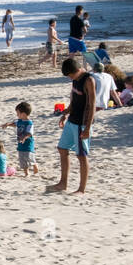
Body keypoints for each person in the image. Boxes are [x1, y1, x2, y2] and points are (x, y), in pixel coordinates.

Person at [49, 57, 95, 194]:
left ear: (76, 70)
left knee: (82, 155)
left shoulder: (88, 80)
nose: (70, 78)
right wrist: (65, 113)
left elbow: (92, 105)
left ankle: (81, 189)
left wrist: (87, 128)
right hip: (72, 121)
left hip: (82, 123)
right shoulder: (75, 80)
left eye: (70, 75)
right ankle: (63, 183)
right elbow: (74, 99)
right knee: (62, 149)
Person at [1, 101, 38, 175]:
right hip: (20, 143)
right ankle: (26, 173)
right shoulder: (19, 121)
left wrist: (24, 137)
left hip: (28, 144)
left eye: (18, 113)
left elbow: (29, 133)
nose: (17, 115)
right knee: (22, 158)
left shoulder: (29, 123)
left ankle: (35, 166)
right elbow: (14, 124)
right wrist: (8, 124)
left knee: (29, 157)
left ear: (23, 114)